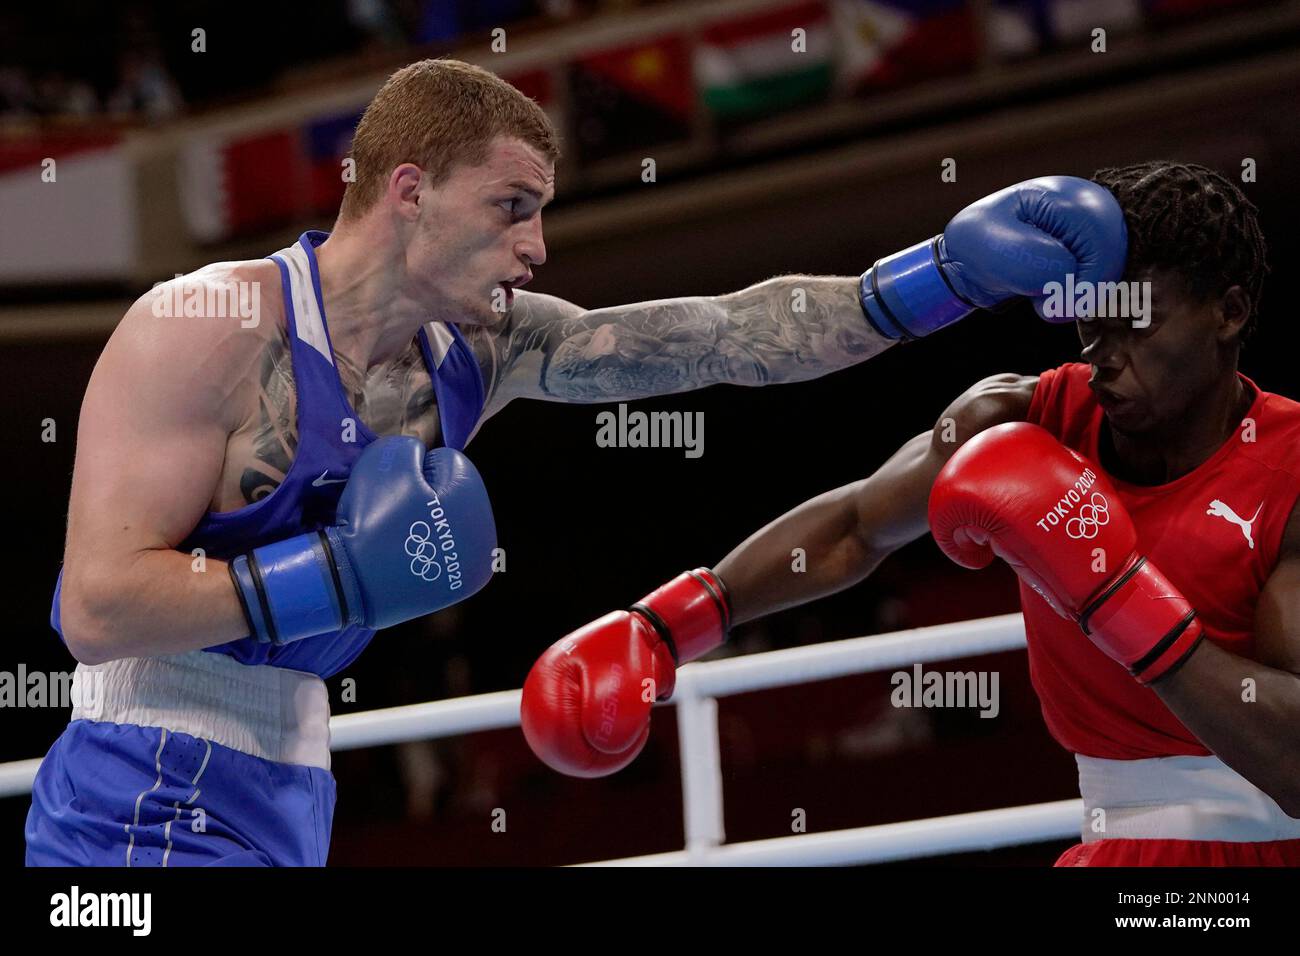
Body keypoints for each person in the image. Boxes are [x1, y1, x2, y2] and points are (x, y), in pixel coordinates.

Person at [27, 57, 1124, 866]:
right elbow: (99, 606)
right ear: (407, 191)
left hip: (292, 776)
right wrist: (344, 576)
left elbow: (726, 336)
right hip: (142, 774)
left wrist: (936, 277)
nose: (537, 248)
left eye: (540, 215)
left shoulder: (485, 349)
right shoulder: (207, 323)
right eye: (511, 208)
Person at [523, 161, 1300, 866]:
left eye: (1137, 321)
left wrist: (1117, 599)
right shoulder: (1027, 418)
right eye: (1088, 317)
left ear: (1228, 313)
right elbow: (855, 527)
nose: (1102, 351)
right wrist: (665, 626)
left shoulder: (1290, 471)